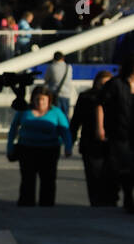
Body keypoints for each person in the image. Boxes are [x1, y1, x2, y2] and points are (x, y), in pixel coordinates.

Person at [7, 87, 72, 207]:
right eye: (37, 99)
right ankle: (26, 203)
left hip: (49, 150)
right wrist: (10, 147)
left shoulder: (56, 112)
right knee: (27, 179)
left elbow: (65, 131)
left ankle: (47, 205)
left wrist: (68, 147)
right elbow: (13, 129)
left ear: (49, 100)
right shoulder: (24, 111)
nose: (40, 102)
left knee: (48, 179)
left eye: (43, 99)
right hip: (26, 149)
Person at [70, 71, 114, 206]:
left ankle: (109, 202)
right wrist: (70, 141)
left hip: (111, 144)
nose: (103, 88)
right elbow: (76, 120)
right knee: (93, 176)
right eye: (101, 84)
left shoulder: (115, 98)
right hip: (90, 143)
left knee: (111, 177)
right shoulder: (85, 97)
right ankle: (96, 203)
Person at [96, 57, 134, 212]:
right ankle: (127, 197)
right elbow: (100, 104)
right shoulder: (115, 84)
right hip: (120, 132)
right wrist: (100, 127)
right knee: (125, 167)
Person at [44, 51, 74, 118]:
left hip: (55, 94)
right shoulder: (68, 67)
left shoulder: (51, 67)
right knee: (65, 116)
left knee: (56, 115)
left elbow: (46, 80)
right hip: (66, 94)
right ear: (63, 58)